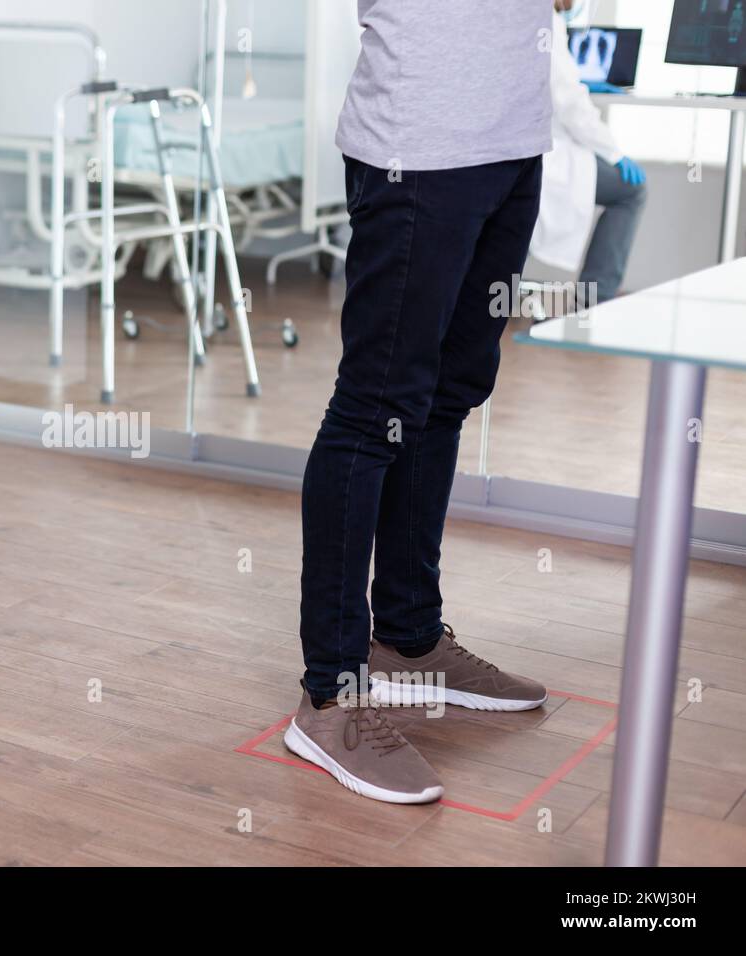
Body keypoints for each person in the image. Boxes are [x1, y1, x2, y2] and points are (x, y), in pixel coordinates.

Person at [285, 0, 551, 805]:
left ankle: (407, 637)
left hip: (514, 136)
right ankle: (330, 695)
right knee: (374, 410)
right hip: (418, 145)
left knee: (450, 393)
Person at [532, 0, 648, 304]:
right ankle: (594, 300)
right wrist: (614, 152)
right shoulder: (545, 17)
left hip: (511, 149)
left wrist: (584, 83)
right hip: (543, 155)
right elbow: (570, 104)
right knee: (633, 190)